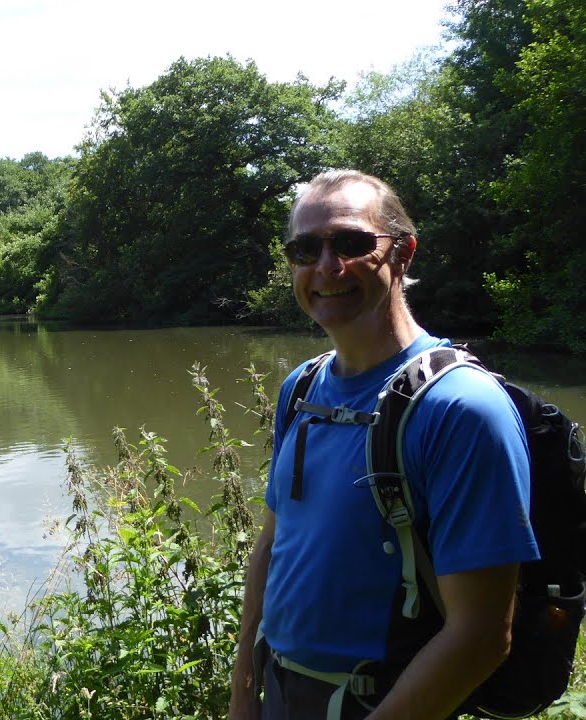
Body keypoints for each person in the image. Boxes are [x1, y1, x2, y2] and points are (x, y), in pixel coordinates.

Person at [227, 170, 539, 719]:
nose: (327, 267)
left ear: (404, 253)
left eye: (351, 243)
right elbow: (272, 547)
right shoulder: (299, 388)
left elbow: (482, 635)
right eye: (305, 249)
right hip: (279, 692)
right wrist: (242, 693)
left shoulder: (462, 409)